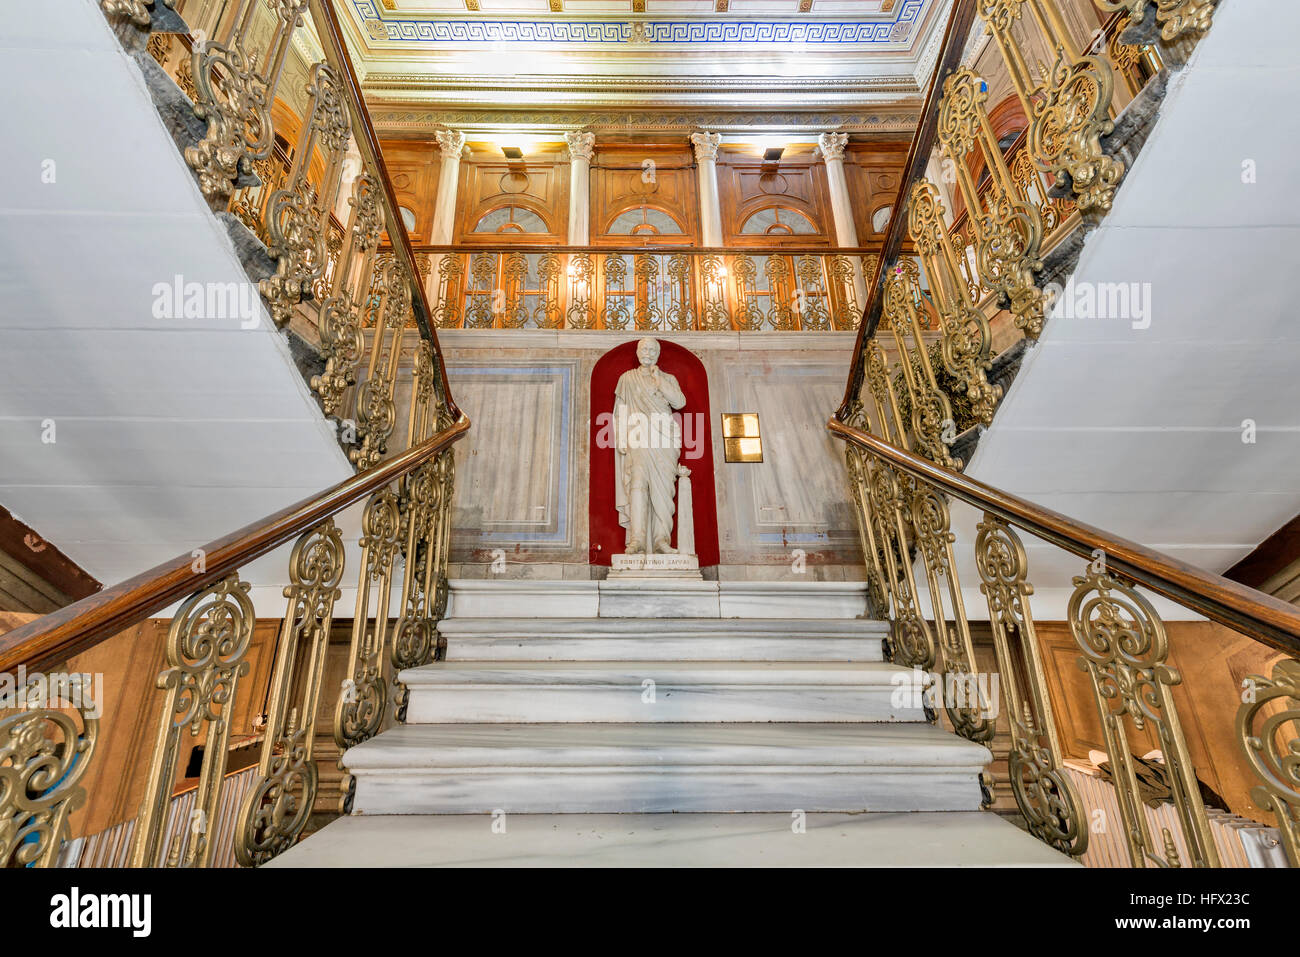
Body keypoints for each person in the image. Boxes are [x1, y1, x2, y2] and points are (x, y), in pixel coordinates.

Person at [613, 338, 686, 554]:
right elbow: (621, 410)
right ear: (637, 352)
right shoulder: (627, 378)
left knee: (663, 490)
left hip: (664, 438)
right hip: (638, 437)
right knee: (637, 486)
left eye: (652, 350)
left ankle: (661, 540)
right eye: (644, 349)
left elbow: (679, 402)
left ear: (658, 354)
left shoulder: (668, 378)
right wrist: (622, 438)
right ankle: (636, 540)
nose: (648, 352)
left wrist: (659, 381)